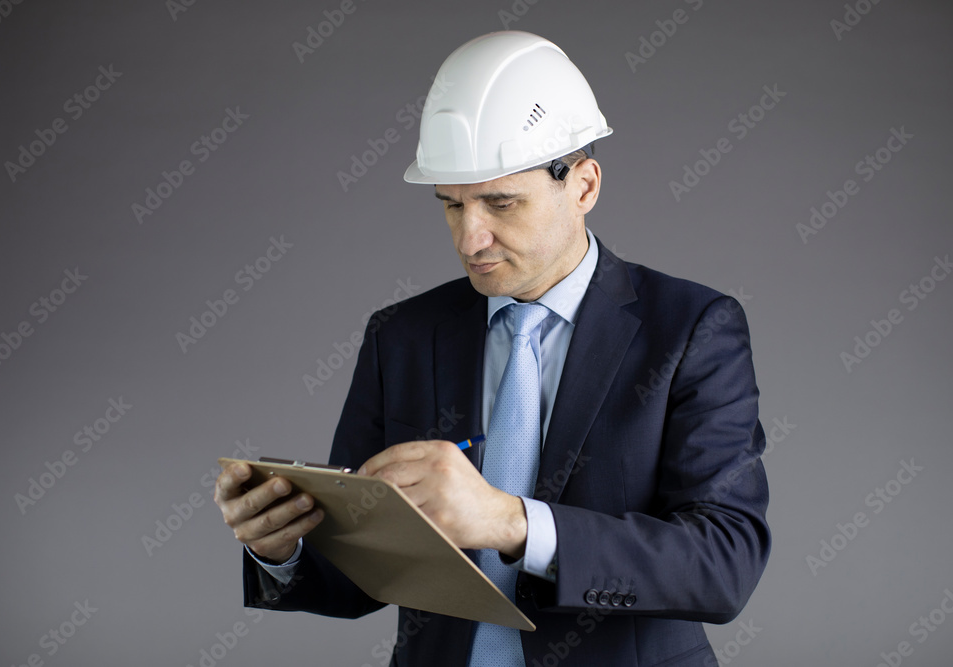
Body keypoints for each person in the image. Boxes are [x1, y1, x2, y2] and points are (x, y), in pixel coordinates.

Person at [214, 30, 770, 666]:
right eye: (450, 206)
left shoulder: (692, 328)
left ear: (583, 186)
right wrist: (281, 548)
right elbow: (363, 574)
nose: (470, 238)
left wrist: (513, 522)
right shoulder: (402, 335)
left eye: (501, 203)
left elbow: (724, 563)